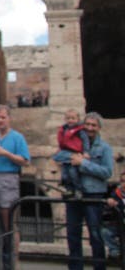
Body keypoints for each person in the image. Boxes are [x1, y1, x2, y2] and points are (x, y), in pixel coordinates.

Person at [0, 105, 30, 270]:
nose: (0, 120)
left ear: (9, 118)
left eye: (3, 117)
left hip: (8, 178)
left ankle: (13, 263)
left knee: (9, 223)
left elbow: (25, 161)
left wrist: (5, 153)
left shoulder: (17, 138)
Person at [65, 112, 113, 270]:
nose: (89, 128)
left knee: (95, 235)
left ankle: (99, 267)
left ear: (99, 128)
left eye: (93, 125)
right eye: (87, 124)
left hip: (94, 194)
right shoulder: (74, 144)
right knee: (73, 235)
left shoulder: (105, 148)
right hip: (75, 193)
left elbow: (107, 172)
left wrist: (84, 164)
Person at [52, 108, 90, 198]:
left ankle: (78, 189)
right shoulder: (64, 129)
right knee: (65, 175)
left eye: (73, 118)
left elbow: (85, 141)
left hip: (75, 152)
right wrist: (60, 148)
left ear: (78, 119)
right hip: (66, 152)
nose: (70, 120)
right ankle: (69, 189)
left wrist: (86, 152)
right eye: (68, 118)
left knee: (73, 173)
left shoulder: (80, 130)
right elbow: (63, 141)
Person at [103, 170, 125, 261]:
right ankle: (115, 251)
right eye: (123, 181)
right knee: (105, 232)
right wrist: (110, 201)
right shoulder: (116, 193)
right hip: (119, 224)